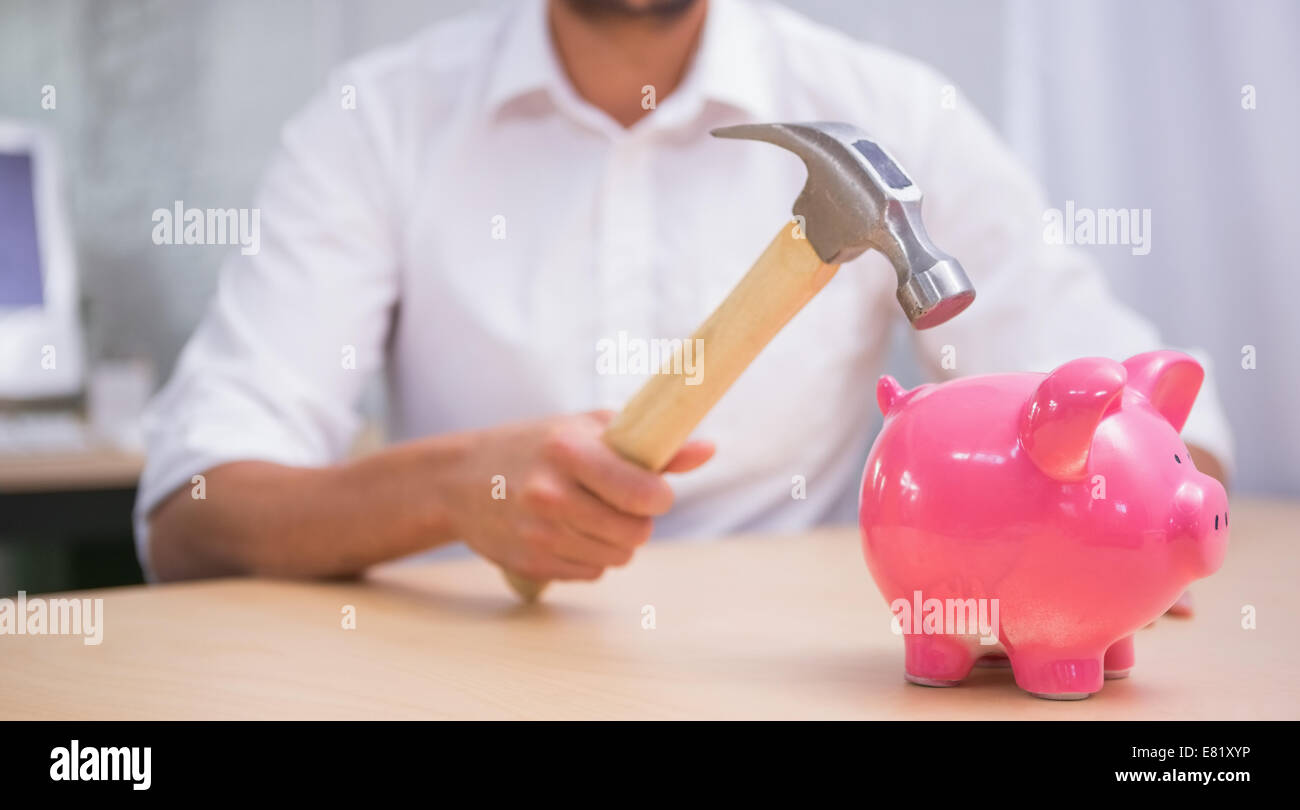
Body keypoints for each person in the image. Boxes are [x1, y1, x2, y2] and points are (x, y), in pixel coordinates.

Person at [136, 0, 1232, 584]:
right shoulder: (376, 123)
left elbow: (1165, 431)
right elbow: (188, 518)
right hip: (463, 676)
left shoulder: (896, 110)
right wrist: (449, 490)